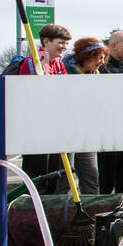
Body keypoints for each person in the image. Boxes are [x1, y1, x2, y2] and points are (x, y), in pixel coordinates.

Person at [16, 22, 71, 183]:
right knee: (37, 172)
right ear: (46, 42)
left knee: (54, 173)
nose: (64, 47)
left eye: (66, 43)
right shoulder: (33, 62)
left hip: (54, 123)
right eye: (61, 43)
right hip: (35, 126)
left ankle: (50, 204)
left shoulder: (59, 64)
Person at [61, 37, 109, 195]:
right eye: (98, 57)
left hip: (86, 132)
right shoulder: (64, 70)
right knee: (63, 178)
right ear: (87, 55)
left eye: (103, 58)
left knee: (90, 176)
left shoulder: (94, 73)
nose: (101, 62)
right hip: (65, 131)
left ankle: (91, 213)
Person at [98, 30, 123, 194]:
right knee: (107, 180)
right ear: (113, 45)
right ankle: (103, 210)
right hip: (109, 132)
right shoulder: (102, 68)